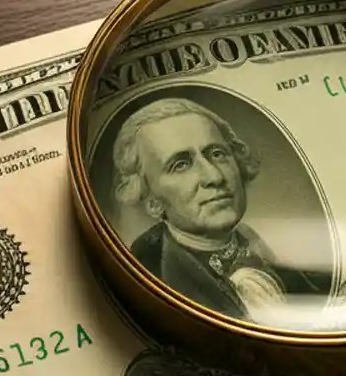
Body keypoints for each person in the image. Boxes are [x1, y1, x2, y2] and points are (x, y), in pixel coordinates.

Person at [110, 96, 331, 322]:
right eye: (181, 165)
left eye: (217, 154)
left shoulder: (266, 247)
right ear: (151, 199)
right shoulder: (153, 275)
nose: (214, 177)